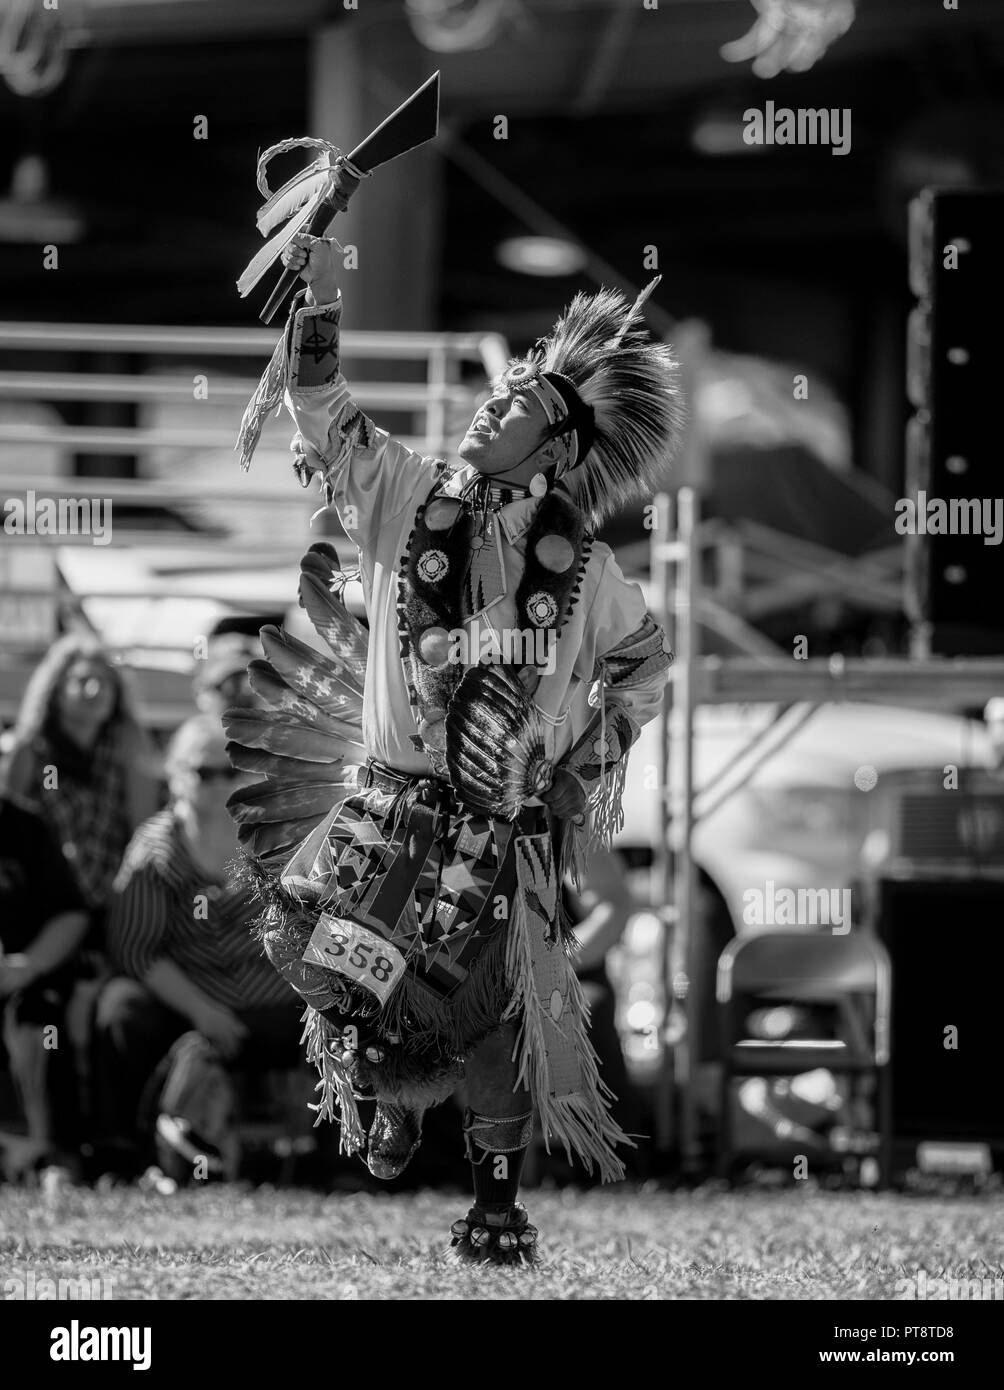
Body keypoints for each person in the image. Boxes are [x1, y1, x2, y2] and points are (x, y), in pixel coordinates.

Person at [232, 232, 680, 1262]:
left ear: (557, 451)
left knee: (494, 1011)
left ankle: (492, 1202)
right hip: (387, 798)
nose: (492, 405)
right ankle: (385, 1084)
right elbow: (323, 404)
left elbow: (643, 670)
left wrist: (582, 759)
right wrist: (314, 279)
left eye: (518, 404)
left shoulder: (588, 574)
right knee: (305, 947)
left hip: (502, 823)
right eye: (497, 392)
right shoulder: (400, 491)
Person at [91, 715, 303, 1179]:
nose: (220, 783)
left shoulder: (272, 836)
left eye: (231, 771)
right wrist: (203, 1012)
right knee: (120, 1011)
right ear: (175, 773)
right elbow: (135, 951)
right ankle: (127, 1155)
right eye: (205, 773)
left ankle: (354, 1164)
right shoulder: (156, 849)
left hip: (276, 1000)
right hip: (192, 1005)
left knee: (355, 1017)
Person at [1, 633, 160, 918]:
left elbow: (144, 831)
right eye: (82, 681)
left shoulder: (128, 741)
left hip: (116, 894)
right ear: (57, 691)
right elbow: (12, 833)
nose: (94, 691)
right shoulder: (30, 748)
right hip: (46, 896)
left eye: (105, 683)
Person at [0, 793, 90, 1179]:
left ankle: (51, 1153)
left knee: (38, 1022)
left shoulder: (27, 827)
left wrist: (26, 966)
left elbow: (70, 914)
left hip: (26, 981)